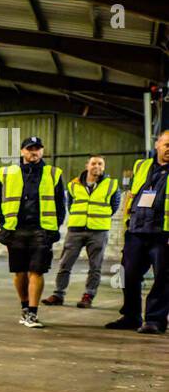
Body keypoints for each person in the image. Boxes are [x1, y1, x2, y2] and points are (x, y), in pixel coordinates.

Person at [0, 136, 66, 328]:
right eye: (29, 149)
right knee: (19, 272)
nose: (33, 152)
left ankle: (33, 313)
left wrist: (54, 228)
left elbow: (61, 204)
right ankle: (25, 307)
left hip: (41, 231)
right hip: (15, 231)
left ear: (42, 151)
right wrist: (3, 225)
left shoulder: (53, 173)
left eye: (37, 149)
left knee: (37, 271)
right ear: (22, 152)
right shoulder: (8, 173)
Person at [106, 129, 169, 335]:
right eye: (167, 144)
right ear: (157, 145)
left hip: (163, 233)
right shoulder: (141, 166)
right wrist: (127, 224)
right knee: (127, 274)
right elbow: (132, 195)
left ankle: (155, 320)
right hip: (136, 230)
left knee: (163, 279)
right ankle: (131, 316)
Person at [42, 156, 120, 308]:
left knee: (95, 266)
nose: (96, 166)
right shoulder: (73, 184)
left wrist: (99, 218)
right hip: (76, 230)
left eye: (100, 164)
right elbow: (70, 205)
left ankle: (88, 296)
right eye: (93, 163)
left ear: (103, 167)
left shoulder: (112, 185)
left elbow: (114, 205)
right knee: (65, 263)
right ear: (87, 166)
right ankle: (58, 294)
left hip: (98, 230)